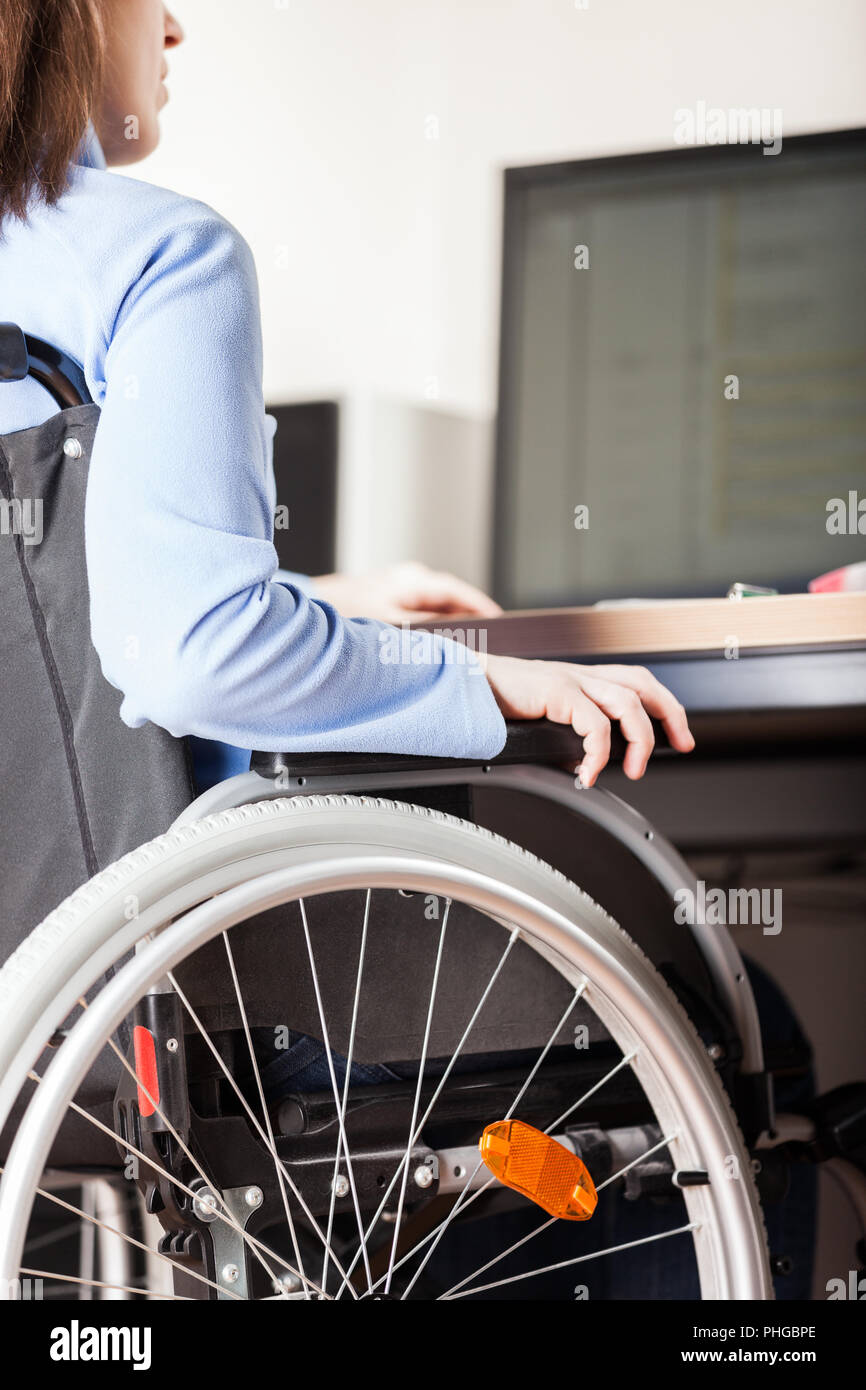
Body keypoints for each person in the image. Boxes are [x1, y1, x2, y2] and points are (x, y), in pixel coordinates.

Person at [0, 0, 694, 798]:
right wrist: (472, 679)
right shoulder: (162, 256)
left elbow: (52, 636)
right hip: (131, 912)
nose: (173, 28)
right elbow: (195, 660)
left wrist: (317, 605)